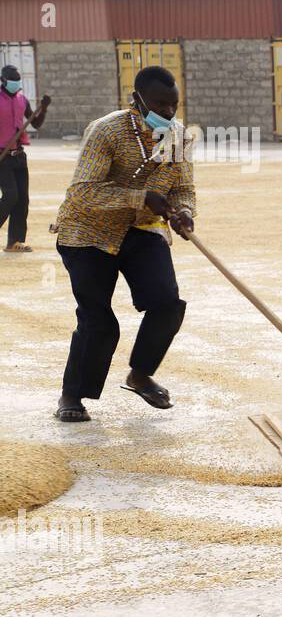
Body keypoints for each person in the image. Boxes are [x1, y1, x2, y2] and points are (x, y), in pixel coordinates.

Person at [52, 66, 195, 422]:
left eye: (173, 105)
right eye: (160, 104)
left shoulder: (177, 138)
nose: (167, 112)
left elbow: (183, 188)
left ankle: (140, 374)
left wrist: (184, 212)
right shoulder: (106, 131)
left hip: (141, 231)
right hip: (87, 233)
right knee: (98, 321)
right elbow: (83, 193)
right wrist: (140, 197)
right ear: (137, 99)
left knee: (167, 303)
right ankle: (72, 395)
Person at [0, 65, 51, 253]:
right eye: (12, 80)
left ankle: (15, 242)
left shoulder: (22, 99)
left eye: (17, 80)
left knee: (22, 199)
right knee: (10, 195)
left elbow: (35, 124)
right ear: (3, 81)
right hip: (1, 156)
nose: (16, 83)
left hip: (18, 156)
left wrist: (43, 109)